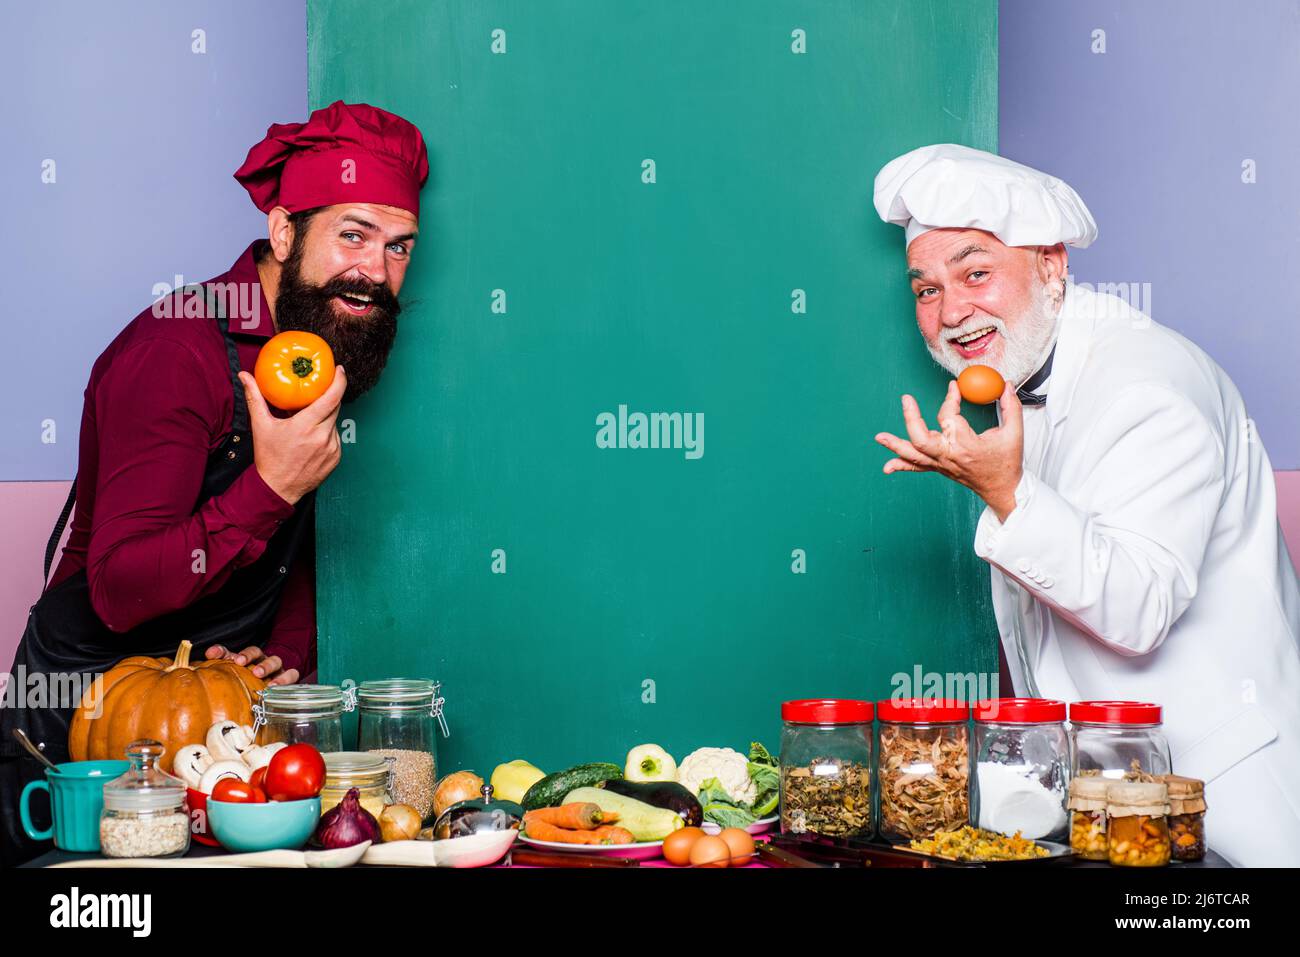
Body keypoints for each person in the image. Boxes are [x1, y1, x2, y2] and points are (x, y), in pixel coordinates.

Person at [0, 101, 428, 866]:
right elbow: (121, 587)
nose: (375, 272)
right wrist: (268, 483)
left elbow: (293, 560)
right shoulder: (176, 351)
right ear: (284, 231)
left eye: (399, 247)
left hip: (219, 746)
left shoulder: (316, 350)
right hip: (81, 740)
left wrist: (281, 666)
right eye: (352, 235)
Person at [872, 143, 1300, 866]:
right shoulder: (1029, 378)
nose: (951, 311)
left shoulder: (1147, 385)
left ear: (1051, 267)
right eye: (926, 289)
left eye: (976, 272)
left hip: (1219, 806)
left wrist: (1003, 492)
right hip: (1114, 809)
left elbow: (1138, 610)